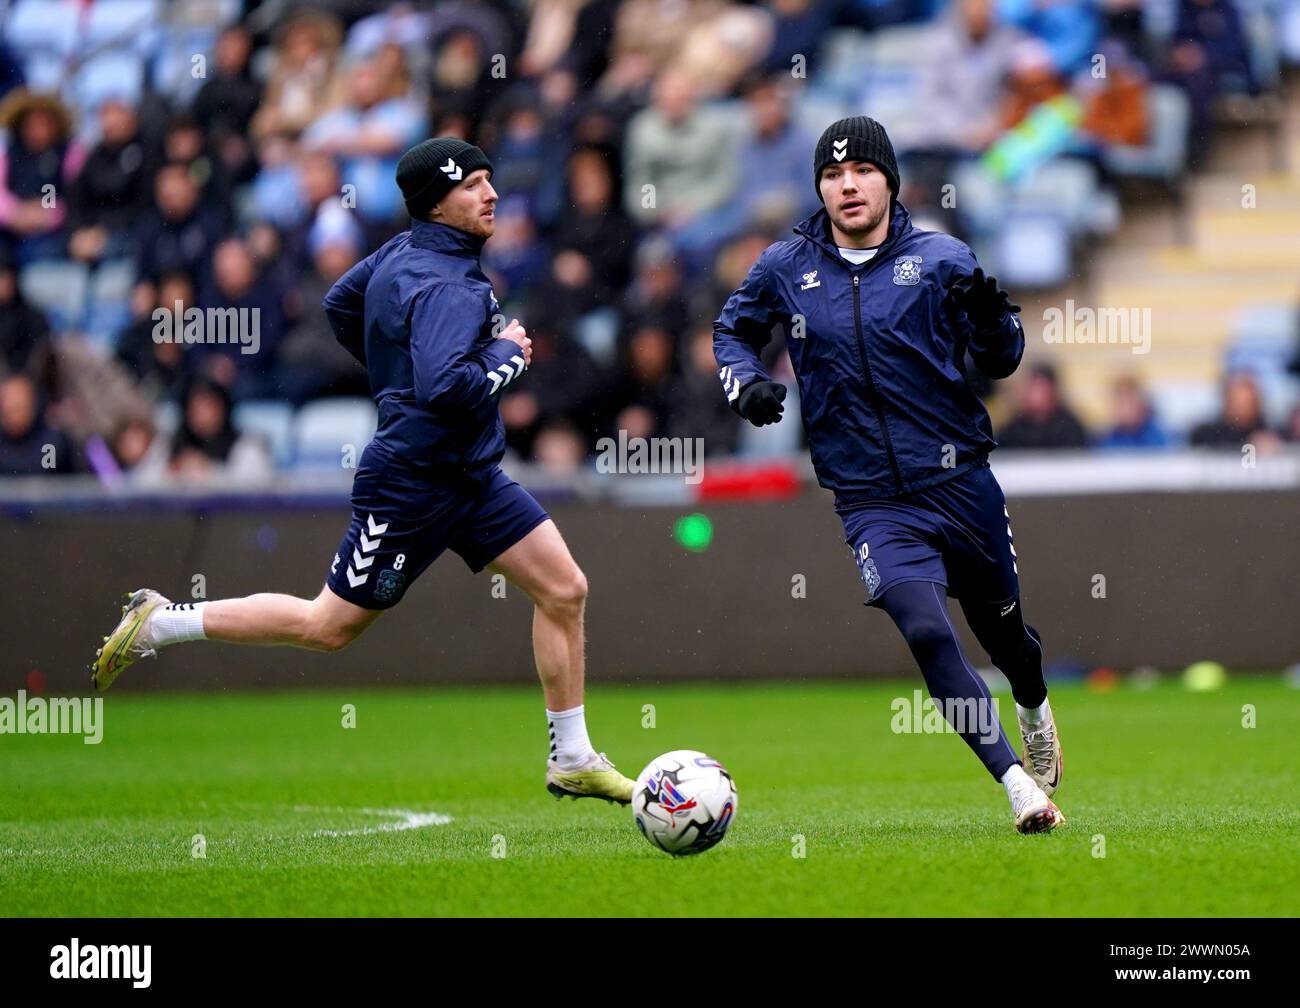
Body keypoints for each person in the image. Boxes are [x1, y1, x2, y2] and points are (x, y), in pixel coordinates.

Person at [92, 138, 636, 806]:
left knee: (563, 589)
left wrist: (394, 375)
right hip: (411, 481)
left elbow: (341, 306)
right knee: (328, 627)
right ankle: (162, 621)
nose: (491, 194)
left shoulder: (405, 253)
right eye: (473, 185)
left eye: (490, 179)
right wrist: (509, 355)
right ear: (437, 203)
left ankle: (572, 757)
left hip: (470, 474)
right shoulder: (449, 285)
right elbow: (445, 388)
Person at [713, 116, 1064, 834]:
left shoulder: (940, 259)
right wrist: (743, 381)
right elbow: (731, 330)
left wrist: (997, 326)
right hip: (871, 497)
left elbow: (1003, 359)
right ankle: (1016, 785)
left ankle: (1031, 702)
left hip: (959, 482)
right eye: (833, 175)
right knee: (927, 630)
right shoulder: (787, 266)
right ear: (819, 186)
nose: (847, 185)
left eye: (863, 172)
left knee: (1007, 641)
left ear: (889, 181)